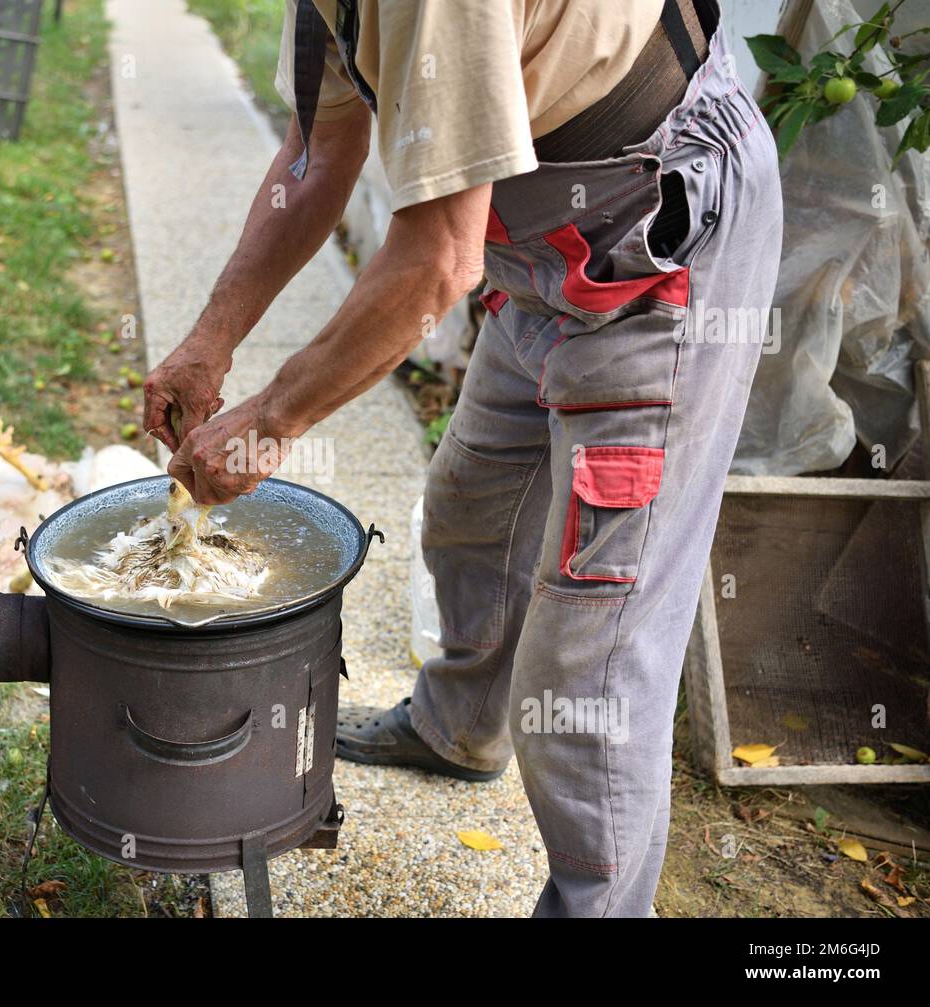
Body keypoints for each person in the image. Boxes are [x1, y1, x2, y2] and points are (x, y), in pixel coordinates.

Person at [142, 0, 782, 917]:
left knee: (589, 667)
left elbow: (438, 259)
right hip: (534, 249)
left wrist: (271, 419)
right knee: (472, 509)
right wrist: (211, 341)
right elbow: (316, 156)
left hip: (656, 242)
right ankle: (459, 729)